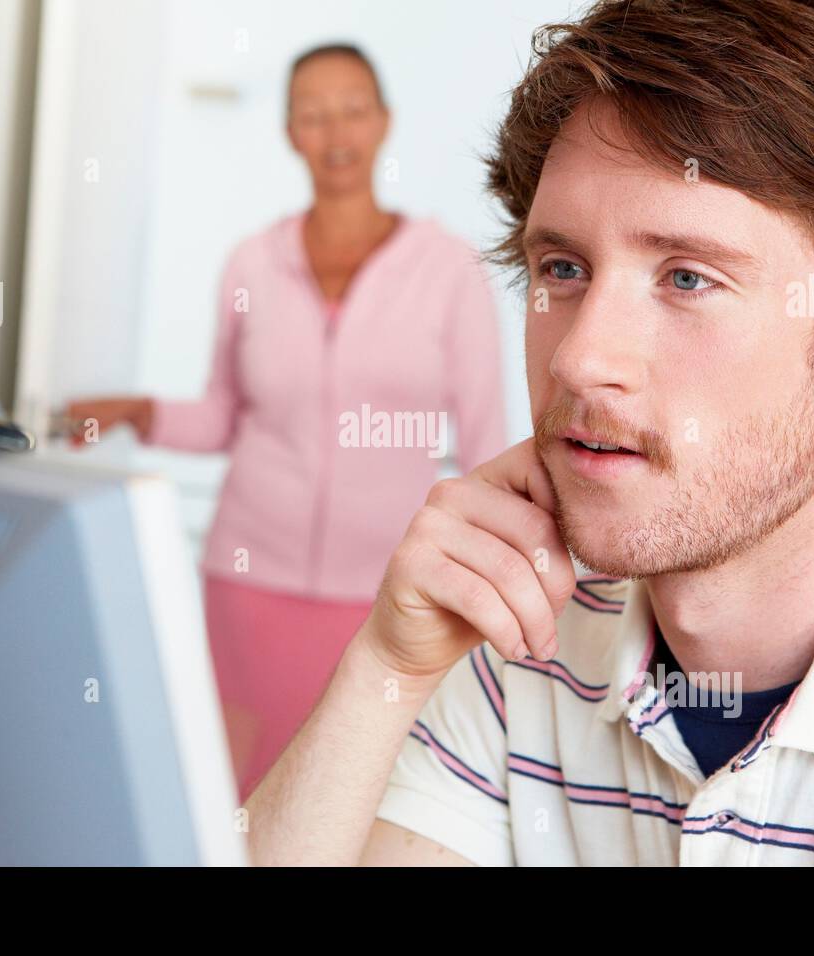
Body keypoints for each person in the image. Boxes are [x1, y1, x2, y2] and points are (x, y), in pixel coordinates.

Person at [244, 0, 814, 866]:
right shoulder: (514, 650)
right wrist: (385, 670)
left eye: (688, 278)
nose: (580, 360)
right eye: (563, 269)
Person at [67, 44, 506, 799]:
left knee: (353, 797)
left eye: (352, 109)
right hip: (248, 584)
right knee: (231, 791)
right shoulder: (252, 264)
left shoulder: (449, 269)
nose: (335, 131)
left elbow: (486, 444)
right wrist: (138, 410)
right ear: (289, 133)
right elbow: (221, 417)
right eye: (313, 113)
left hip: (386, 594)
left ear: (383, 123)